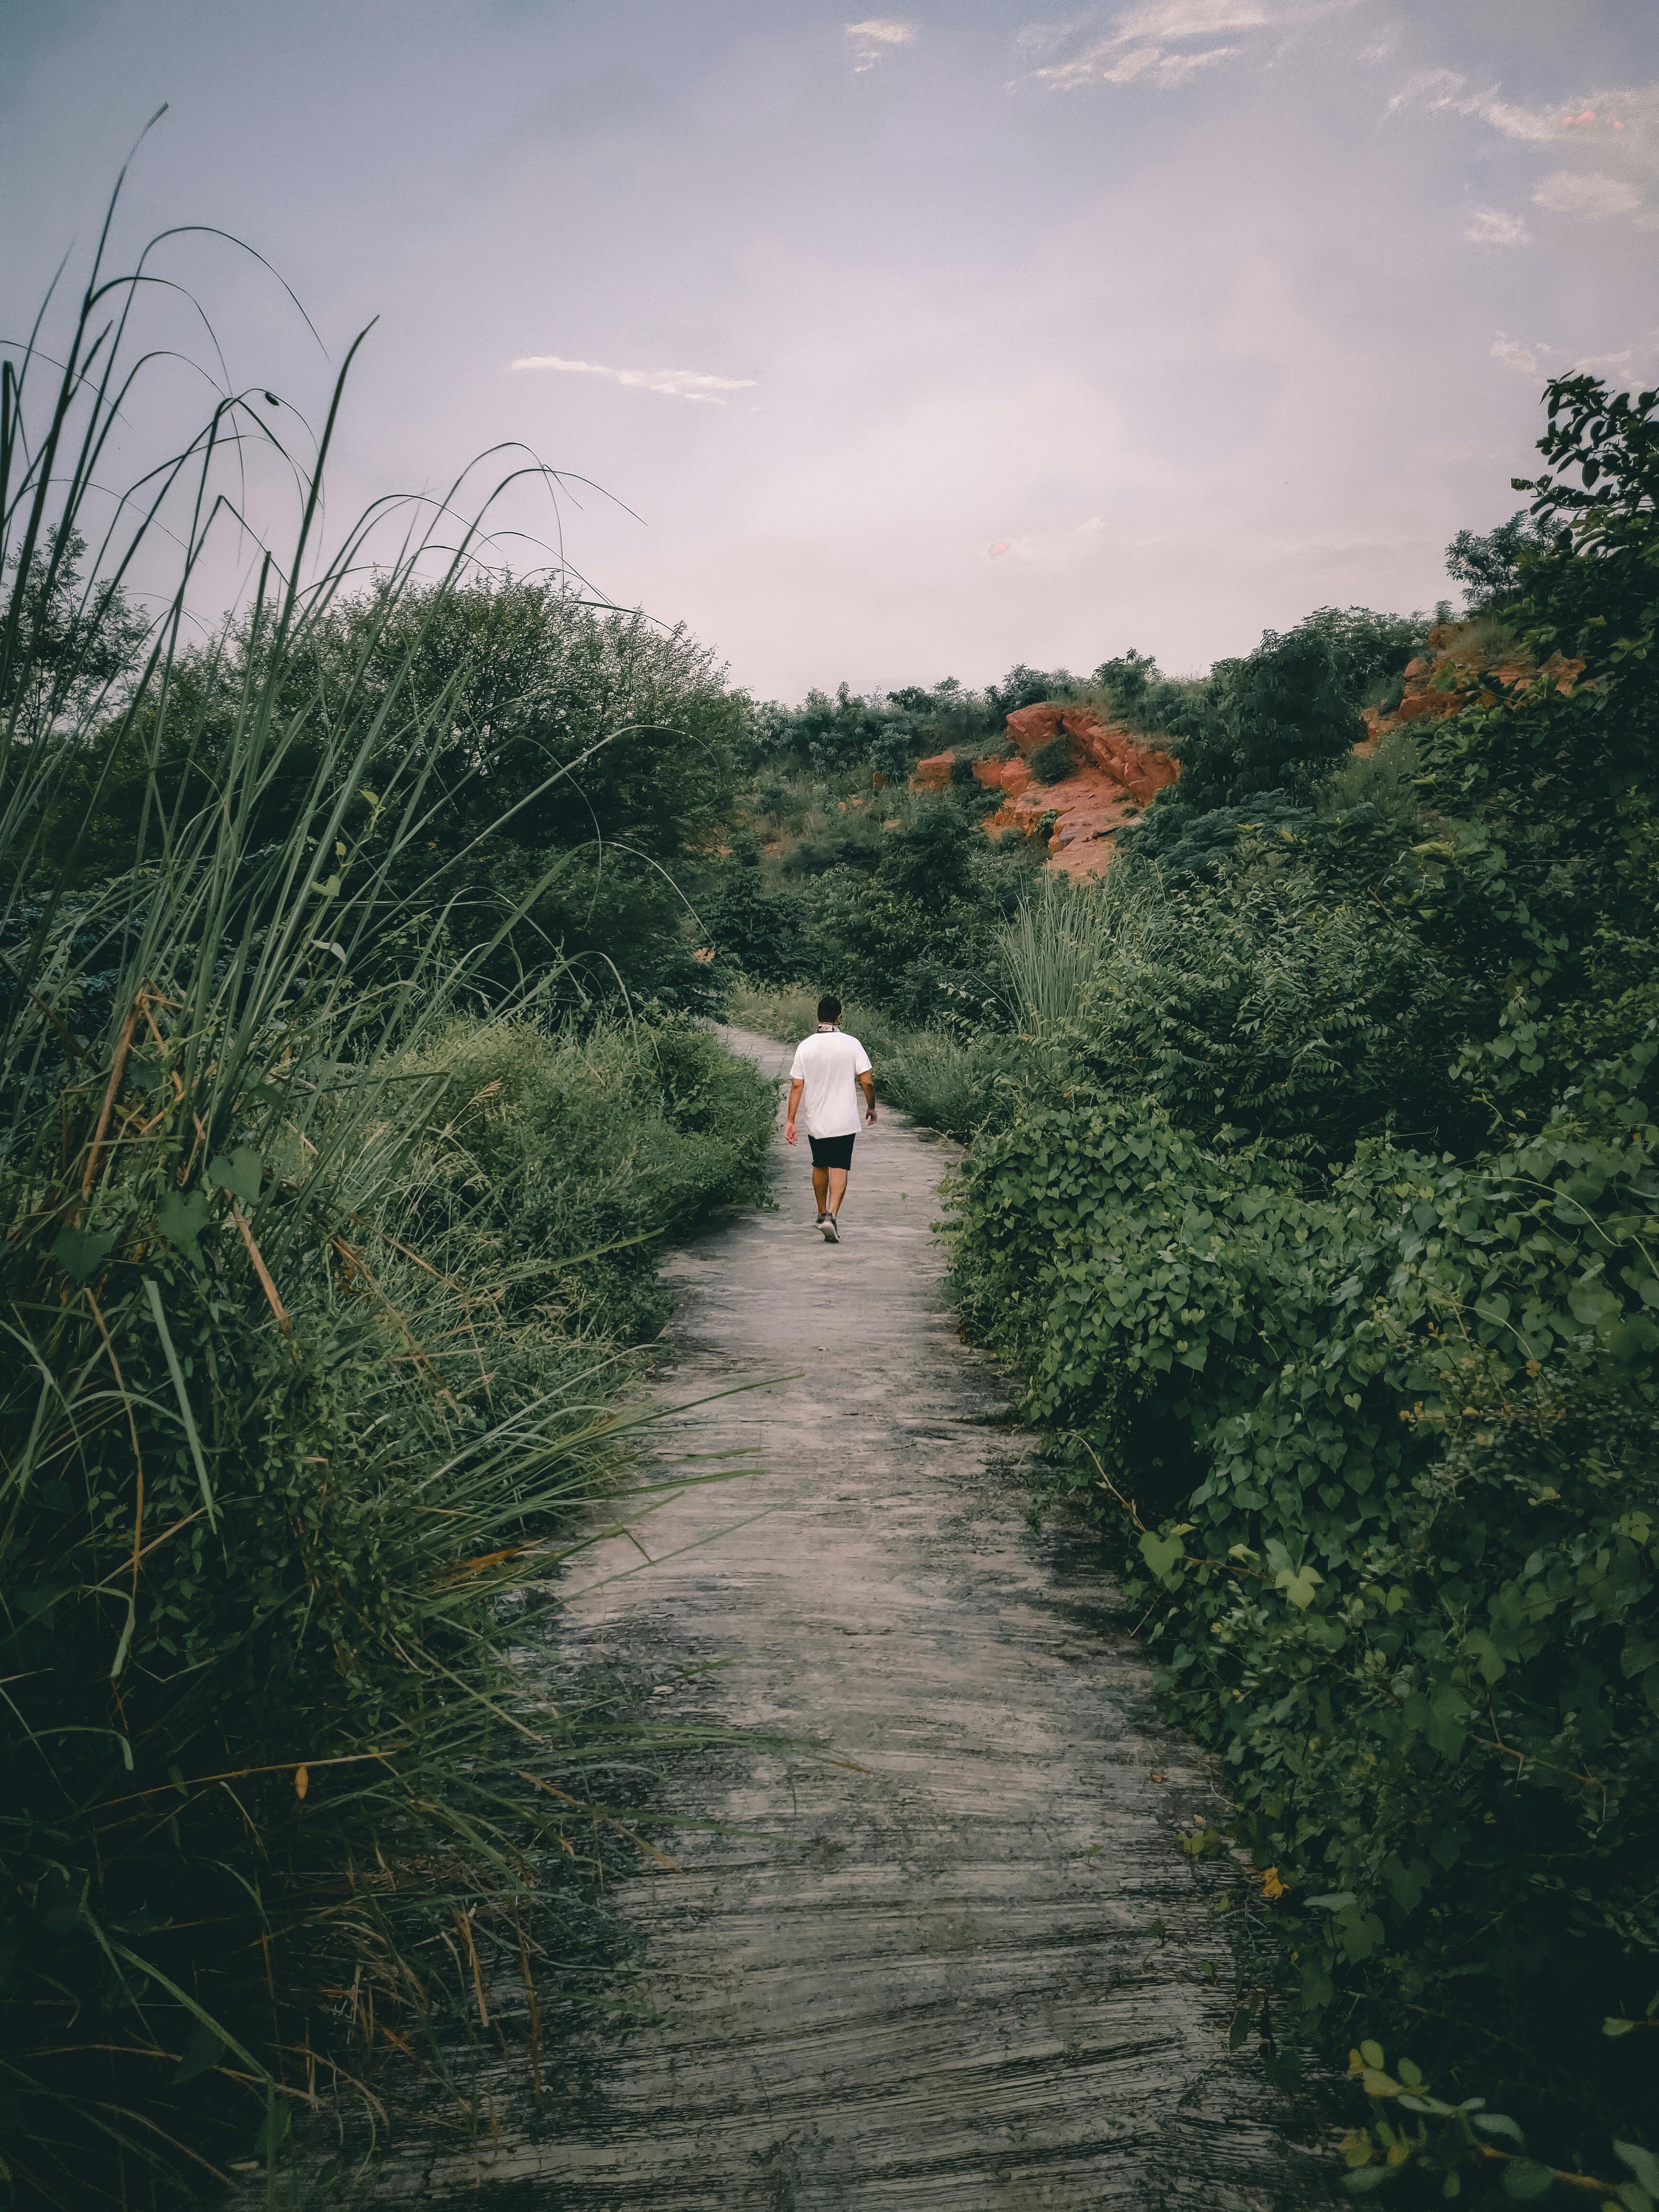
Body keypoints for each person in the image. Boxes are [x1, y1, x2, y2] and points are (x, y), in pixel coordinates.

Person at [785, 995, 875, 1242]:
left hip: (817, 1120)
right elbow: (866, 1080)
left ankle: (821, 1212)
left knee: (820, 1164)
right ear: (839, 1017)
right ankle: (832, 1216)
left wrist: (791, 1120)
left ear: (818, 1017)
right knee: (840, 1167)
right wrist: (872, 1107)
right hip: (844, 1120)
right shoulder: (852, 1044)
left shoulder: (806, 1046)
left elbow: (796, 1086)